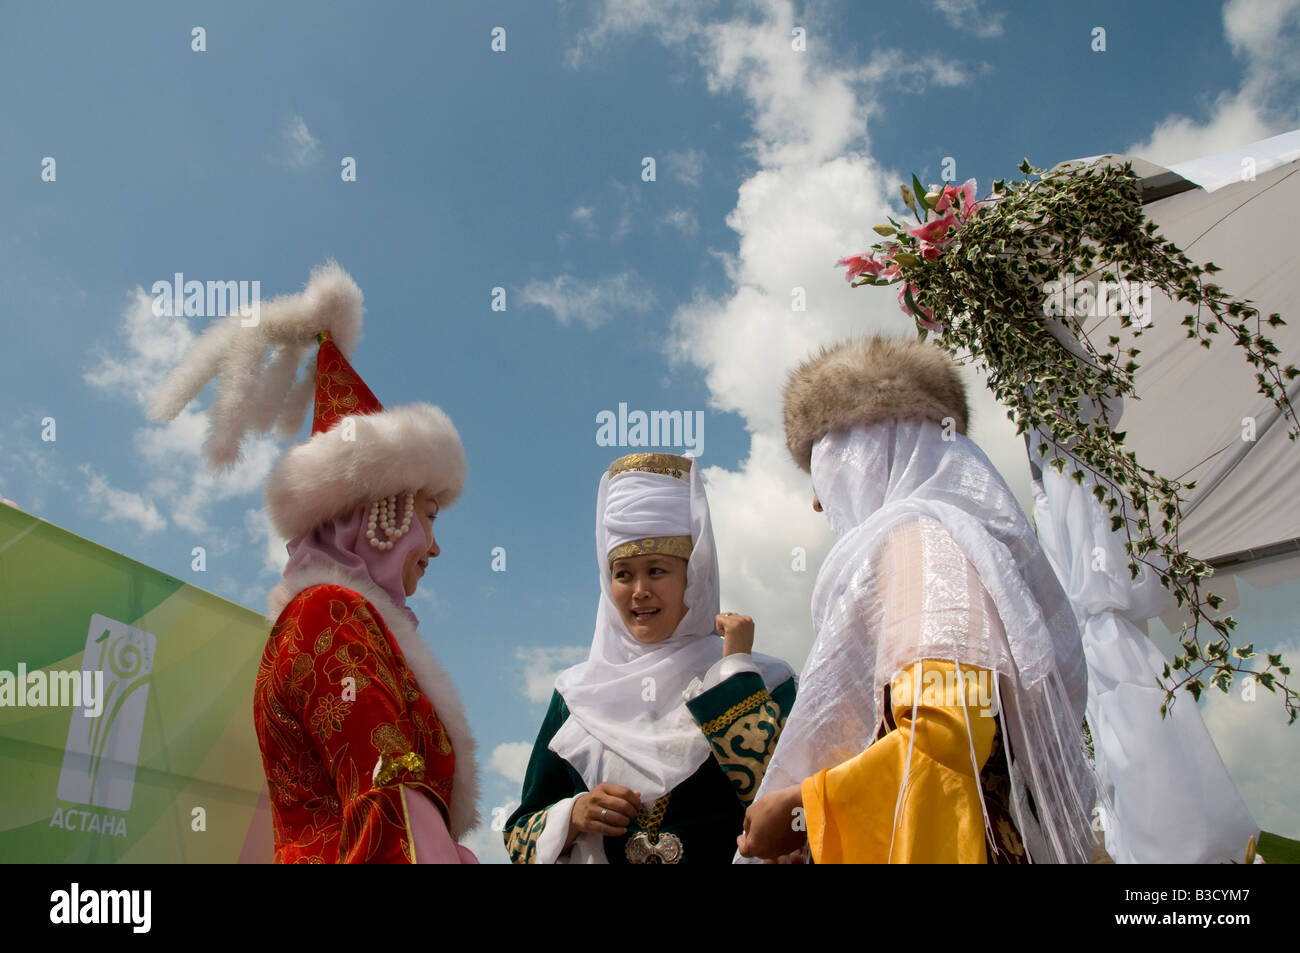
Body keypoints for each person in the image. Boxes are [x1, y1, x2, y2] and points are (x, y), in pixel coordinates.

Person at [150, 262, 479, 863]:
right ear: (380, 514)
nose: (435, 547)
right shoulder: (330, 616)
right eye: (429, 514)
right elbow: (389, 814)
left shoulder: (337, 620)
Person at [738, 335, 1095, 864]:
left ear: (869, 448)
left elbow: (948, 735)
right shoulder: (951, 543)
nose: (817, 500)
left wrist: (805, 810)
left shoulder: (919, 545)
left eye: (823, 465)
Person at [503, 452, 796, 864]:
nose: (639, 590)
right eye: (623, 574)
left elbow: (792, 814)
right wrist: (573, 815)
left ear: (693, 578)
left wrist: (732, 677)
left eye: (657, 571)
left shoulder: (765, 679)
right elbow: (517, 836)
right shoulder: (577, 695)